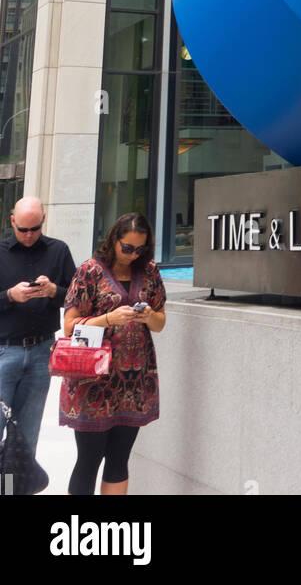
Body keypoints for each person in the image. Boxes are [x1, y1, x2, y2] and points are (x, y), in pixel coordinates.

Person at [60, 212, 166, 496]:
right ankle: (78, 534)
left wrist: (149, 315)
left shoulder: (150, 271)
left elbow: (161, 323)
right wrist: (108, 319)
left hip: (135, 380)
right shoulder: (90, 271)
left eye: (139, 249)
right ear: (114, 240)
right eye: (127, 248)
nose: (132, 255)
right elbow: (69, 326)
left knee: (119, 460)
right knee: (89, 460)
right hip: (92, 380)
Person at [0, 196, 76, 460]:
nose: (29, 234)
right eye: (23, 229)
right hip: (4, 351)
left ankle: (12, 490)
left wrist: (54, 291)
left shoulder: (58, 250)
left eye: (35, 228)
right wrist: (10, 295)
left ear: (44, 220)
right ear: (12, 222)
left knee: (25, 437)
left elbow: (78, 298)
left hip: (42, 350)